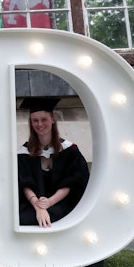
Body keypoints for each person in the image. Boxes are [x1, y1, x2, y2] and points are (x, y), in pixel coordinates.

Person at [17, 97, 90, 227]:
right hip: (33, 203)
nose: (39, 124)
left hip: (60, 202)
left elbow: (71, 182)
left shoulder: (69, 150)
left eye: (44, 119)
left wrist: (49, 202)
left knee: (56, 215)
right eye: (35, 120)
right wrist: (39, 207)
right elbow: (24, 184)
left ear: (53, 119)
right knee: (25, 218)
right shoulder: (24, 152)